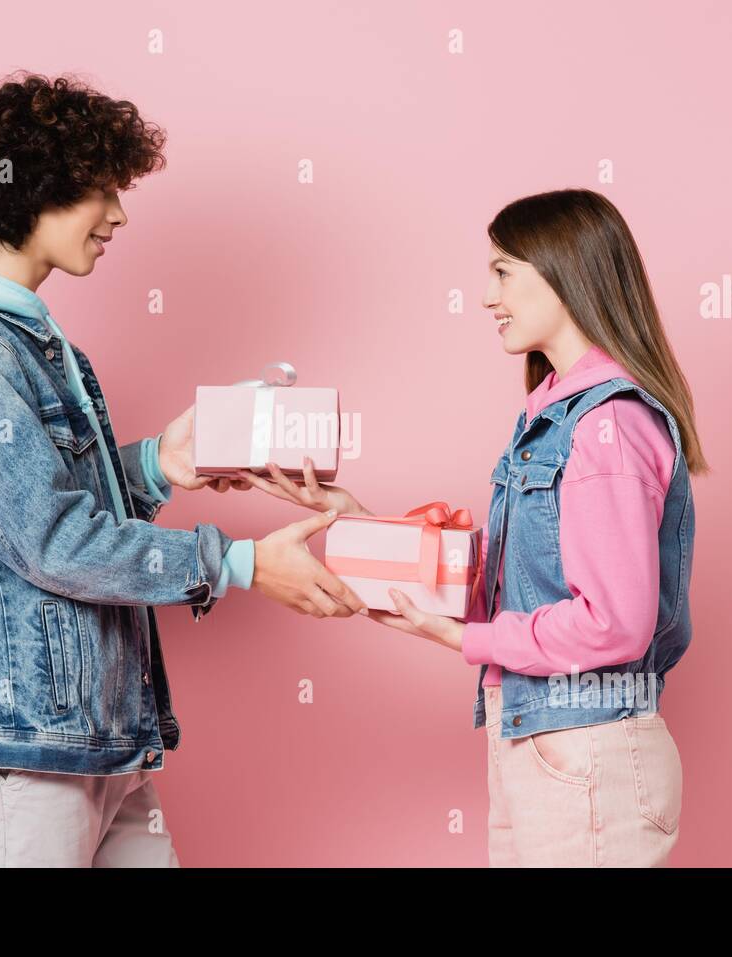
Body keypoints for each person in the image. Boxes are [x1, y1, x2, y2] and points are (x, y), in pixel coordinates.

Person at [0, 72, 366, 867]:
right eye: (102, 189)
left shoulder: (27, 338)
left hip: (99, 738)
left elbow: (45, 508)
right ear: (35, 187)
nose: (120, 213)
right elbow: (55, 541)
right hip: (28, 747)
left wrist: (161, 462)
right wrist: (237, 562)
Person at [240, 189, 706, 867]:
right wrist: (356, 518)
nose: (487, 297)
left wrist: (464, 638)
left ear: (562, 269)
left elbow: (615, 624)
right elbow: (511, 575)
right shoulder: (551, 414)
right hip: (543, 746)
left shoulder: (606, 425)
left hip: (586, 749)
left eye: (502, 272)